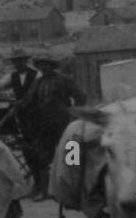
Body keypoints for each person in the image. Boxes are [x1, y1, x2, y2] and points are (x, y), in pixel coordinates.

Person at [19, 57, 86, 201]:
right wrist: (17, 106)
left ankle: (74, 191)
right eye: (41, 66)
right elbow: (27, 101)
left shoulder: (64, 80)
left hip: (64, 123)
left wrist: (73, 113)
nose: (44, 68)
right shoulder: (38, 83)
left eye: (47, 65)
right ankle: (46, 191)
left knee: (71, 155)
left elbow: (81, 97)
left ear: (52, 66)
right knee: (44, 157)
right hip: (45, 125)